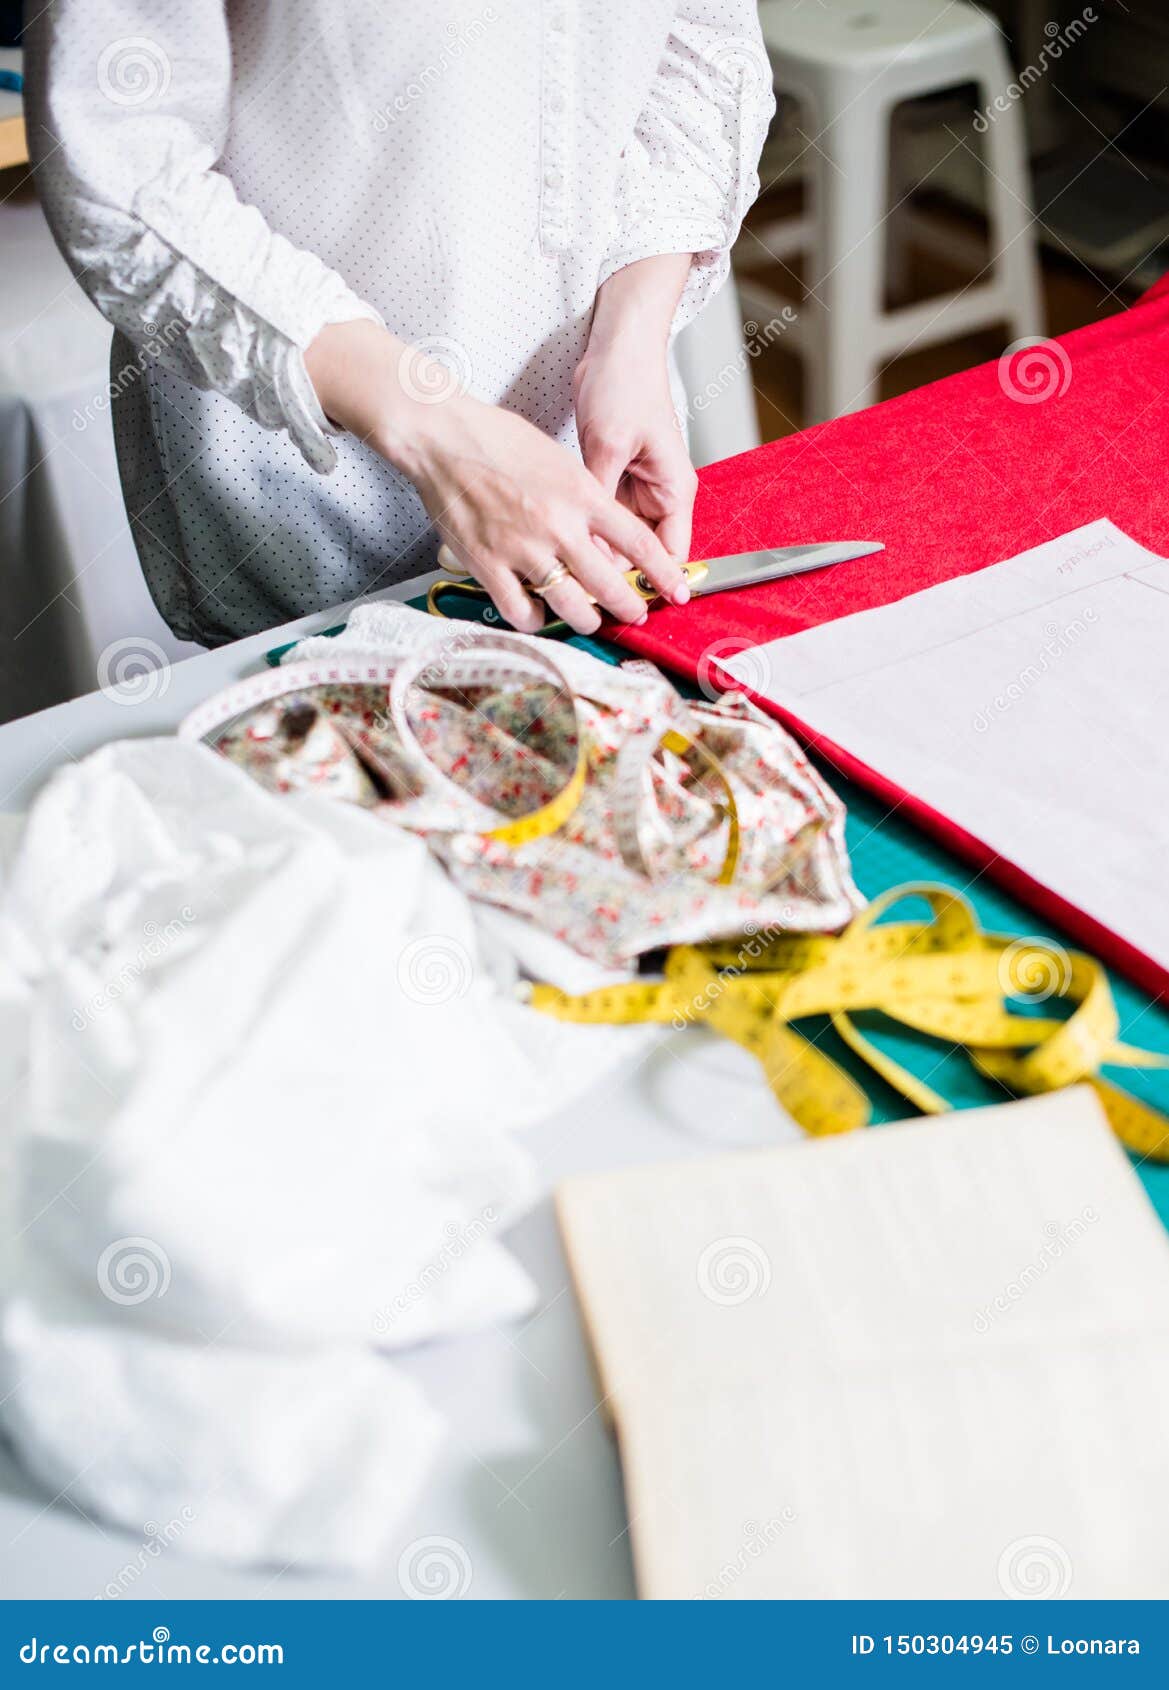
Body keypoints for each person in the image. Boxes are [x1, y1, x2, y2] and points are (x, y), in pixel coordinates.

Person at [26, 3, 773, 642]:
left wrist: (631, 338)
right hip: (301, 483)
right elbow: (119, 166)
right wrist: (441, 433)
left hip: (589, 451)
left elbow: (700, 44)